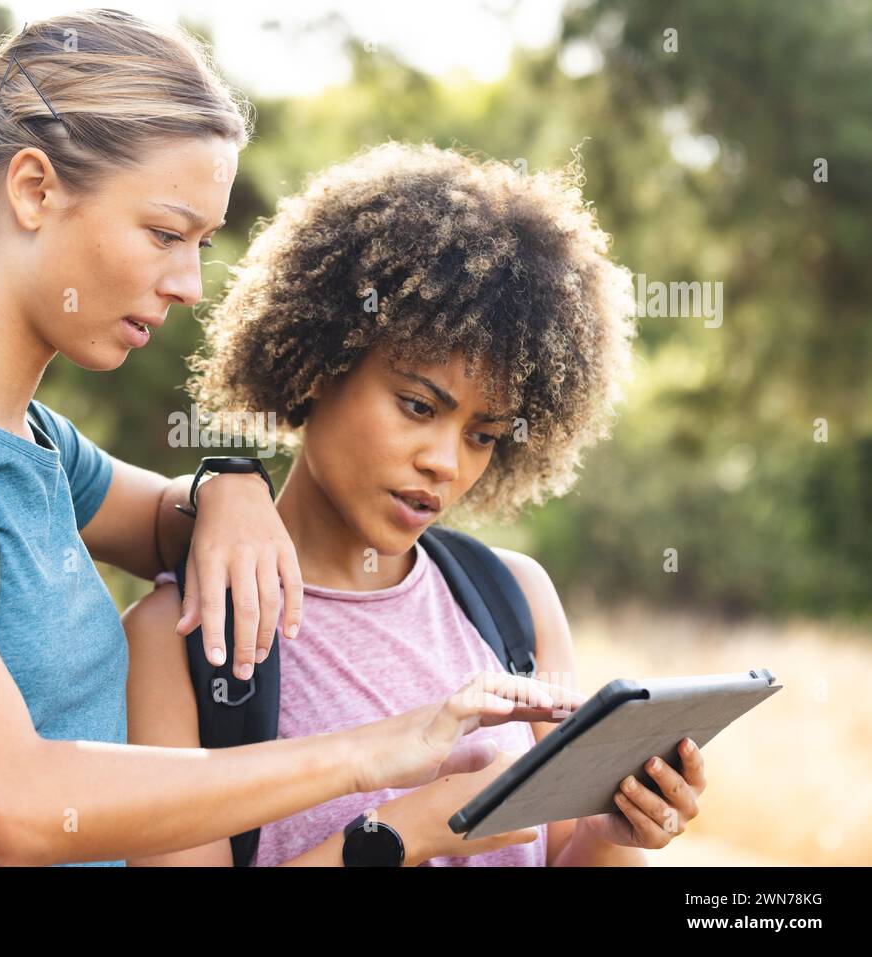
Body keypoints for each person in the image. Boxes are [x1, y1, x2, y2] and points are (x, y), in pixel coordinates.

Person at [0, 12, 577, 868]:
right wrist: (372, 755)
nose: (187, 284)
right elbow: (14, 803)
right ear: (34, 189)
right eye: (166, 234)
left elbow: (172, 521)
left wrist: (228, 486)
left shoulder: (36, 445)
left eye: (204, 244)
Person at [123, 143, 707, 866]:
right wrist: (399, 838)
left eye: (483, 435)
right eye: (416, 404)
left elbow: (563, 857)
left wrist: (609, 829)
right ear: (316, 365)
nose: (446, 461)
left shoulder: (513, 601)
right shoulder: (177, 636)